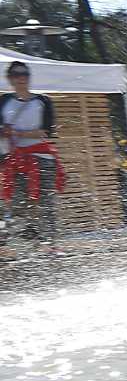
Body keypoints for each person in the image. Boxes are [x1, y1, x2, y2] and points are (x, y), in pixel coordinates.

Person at [2, 61, 64, 248]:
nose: (21, 78)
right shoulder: (3, 101)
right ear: (10, 79)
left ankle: (52, 245)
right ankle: (28, 243)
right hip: (14, 158)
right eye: (16, 75)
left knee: (45, 201)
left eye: (25, 74)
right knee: (17, 200)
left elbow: (46, 131)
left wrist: (18, 133)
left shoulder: (42, 101)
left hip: (40, 155)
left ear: (29, 78)